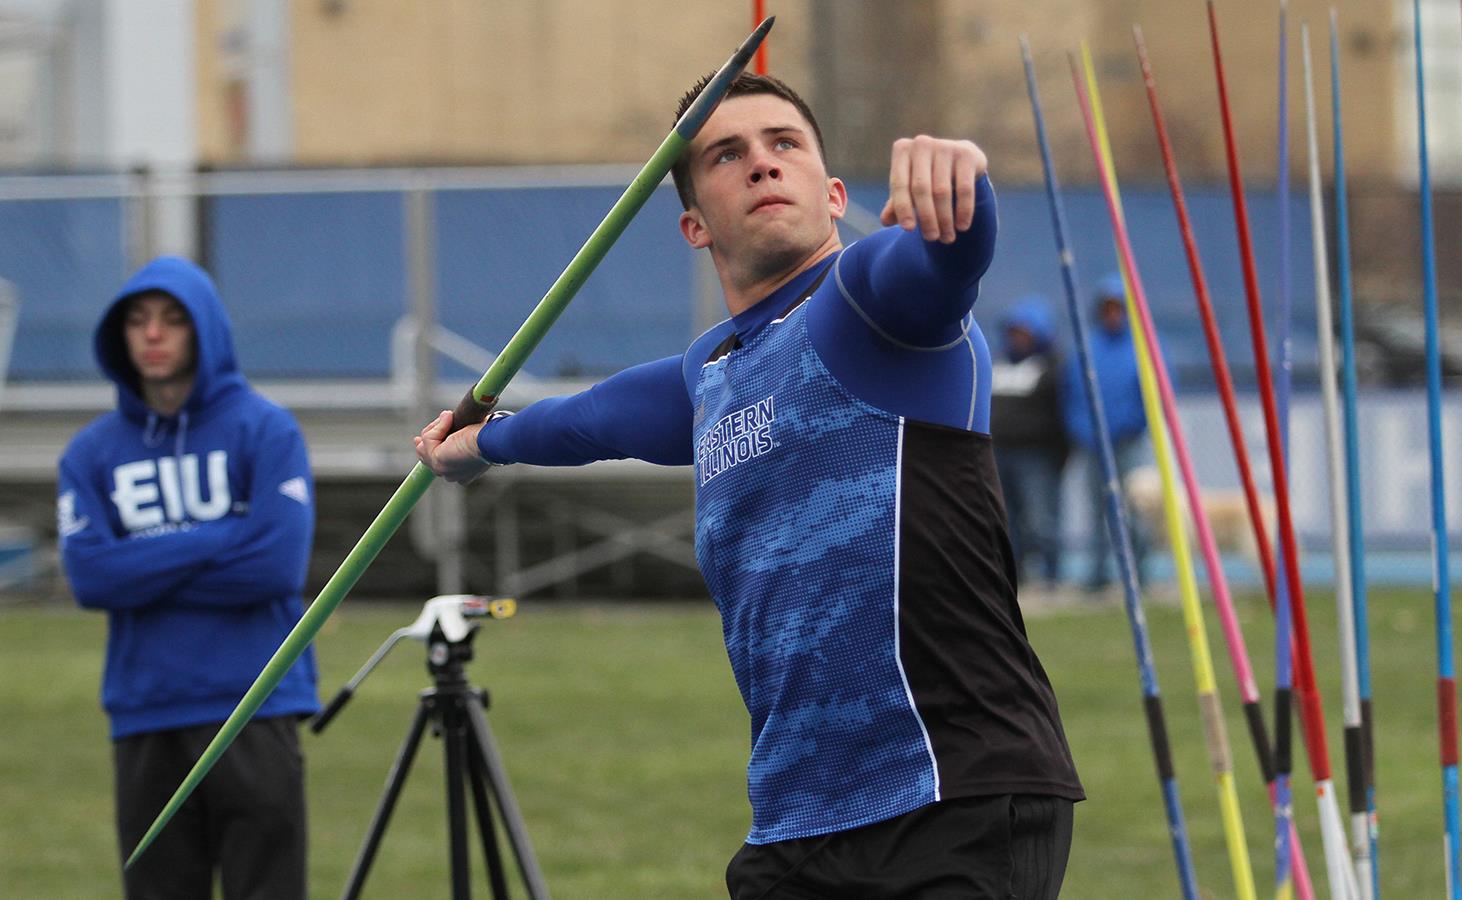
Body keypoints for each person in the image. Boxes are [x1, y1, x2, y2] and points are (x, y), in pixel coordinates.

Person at [415, 73, 1083, 899]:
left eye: (784, 144)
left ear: (834, 194)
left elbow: (942, 264)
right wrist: (484, 445)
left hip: (950, 794)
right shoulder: (714, 372)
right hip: (796, 824)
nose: (762, 165)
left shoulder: (866, 302)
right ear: (694, 224)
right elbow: (597, 418)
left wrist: (960, 185)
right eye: (728, 155)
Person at [56, 256, 319, 900]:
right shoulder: (90, 454)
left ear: (206, 330)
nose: (153, 334)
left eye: (173, 320)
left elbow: (274, 566)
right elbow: (92, 579)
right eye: (138, 321)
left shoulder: (266, 429)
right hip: (147, 711)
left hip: (254, 705)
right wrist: (222, 532)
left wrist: (141, 559)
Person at [1061, 273, 1149, 592]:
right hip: (1092, 443)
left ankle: (1139, 574)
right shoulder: (1086, 346)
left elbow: (1156, 395)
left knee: (1133, 510)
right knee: (1095, 510)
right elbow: (1071, 393)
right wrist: (1082, 430)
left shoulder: (1143, 346)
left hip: (1128, 441)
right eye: (1108, 308)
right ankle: (1097, 576)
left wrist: (1132, 424)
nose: (1113, 315)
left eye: (1119, 308)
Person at [991, 295, 1072, 592]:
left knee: (1041, 518)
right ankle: (1015, 576)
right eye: (1014, 332)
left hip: (1037, 455)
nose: (1018, 339)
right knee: (1006, 519)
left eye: (1024, 332)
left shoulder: (1053, 368)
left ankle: (1052, 576)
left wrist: (1061, 452)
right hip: (999, 454)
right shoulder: (998, 364)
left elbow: (1063, 413)